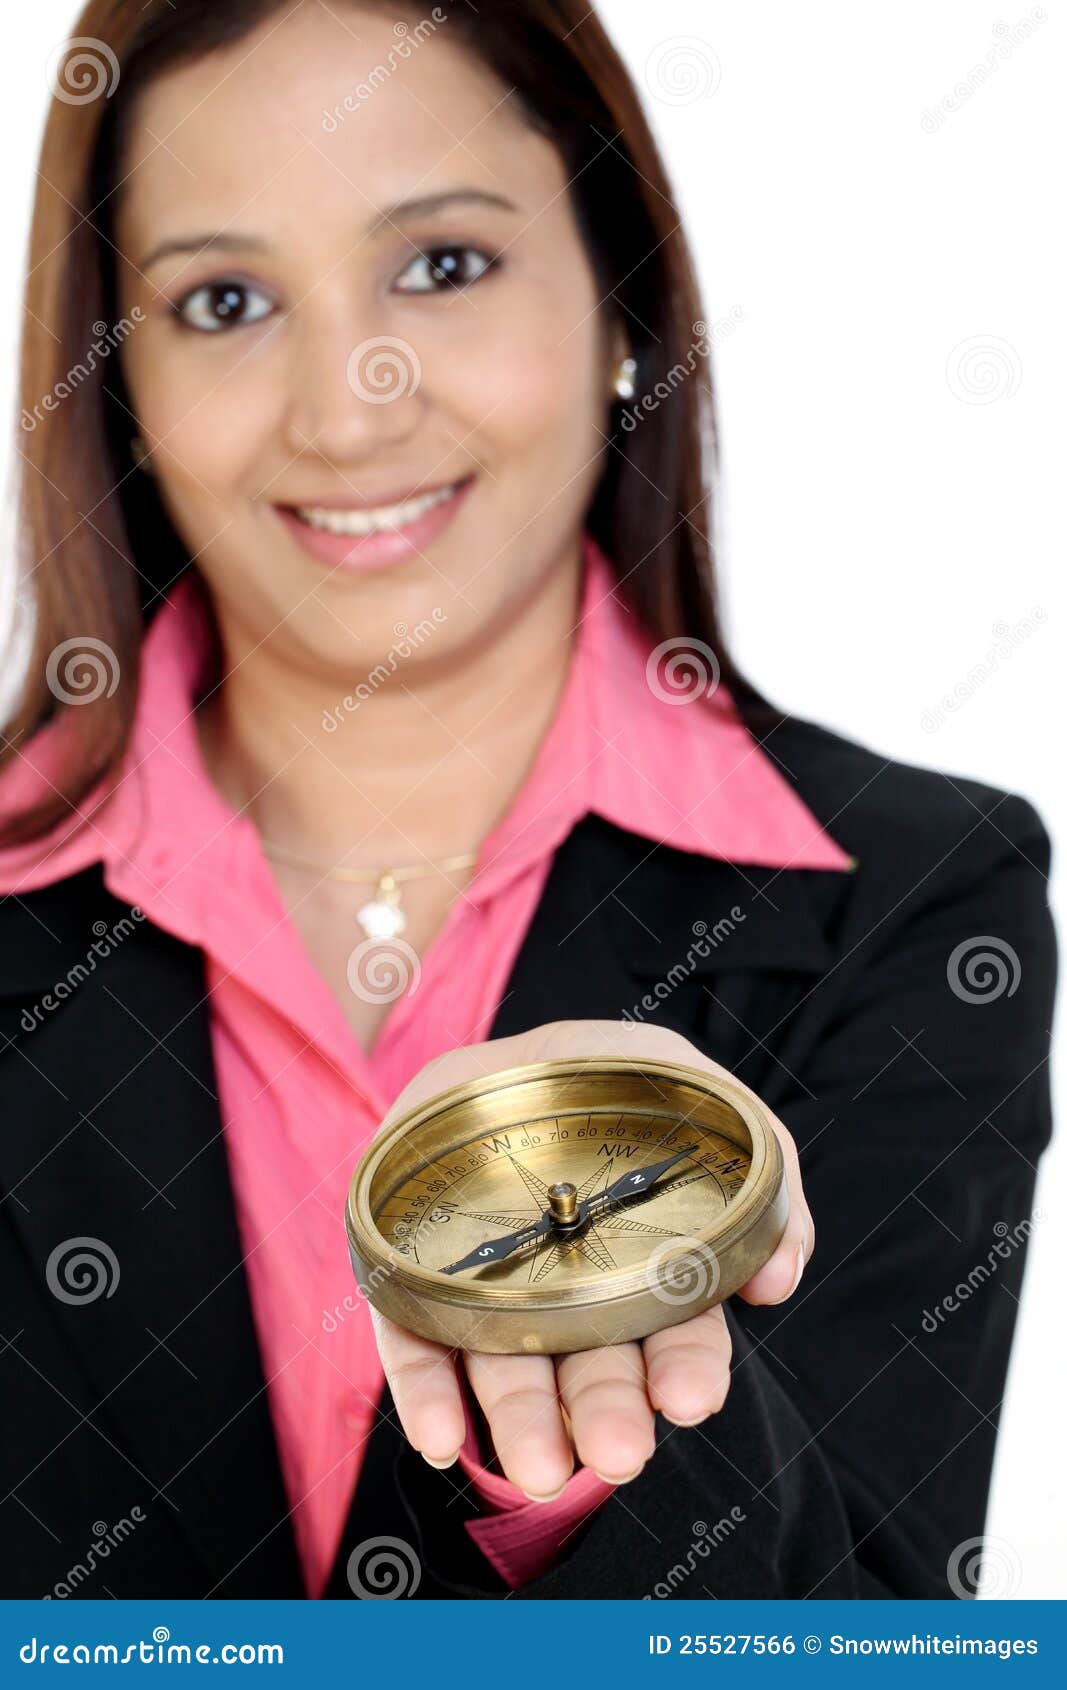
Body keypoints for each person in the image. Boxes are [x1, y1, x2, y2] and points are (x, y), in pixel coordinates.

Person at [0, 0, 1055, 1601]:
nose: (345, 413)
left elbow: (871, 1642)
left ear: (620, 294)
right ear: (119, 378)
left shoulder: (909, 896)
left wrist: (587, 1371)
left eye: (440, 265)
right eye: (222, 298)